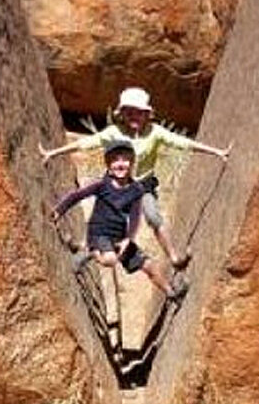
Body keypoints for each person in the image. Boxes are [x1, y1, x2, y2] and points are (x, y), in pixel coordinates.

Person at [40, 86, 230, 270]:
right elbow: (87, 143)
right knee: (105, 220)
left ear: (147, 114)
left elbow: (182, 142)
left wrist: (216, 152)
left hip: (142, 186)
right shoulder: (114, 132)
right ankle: (85, 250)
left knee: (154, 217)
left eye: (138, 112)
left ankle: (174, 258)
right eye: (129, 112)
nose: (133, 116)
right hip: (117, 185)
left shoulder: (155, 132)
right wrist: (53, 153)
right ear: (121, 114)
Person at [49, 138, 187, 301]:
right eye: (115, 160)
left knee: (149, 265)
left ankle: (171, 293)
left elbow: (135, 216)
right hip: (99, 233)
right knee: (110, 259)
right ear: (108, 165)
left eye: (125, 160)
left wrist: (128, 239)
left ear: (132, 163)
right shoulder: (102, 185)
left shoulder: (137, 189)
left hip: (120, 237)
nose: (120, 165)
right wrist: (59, 210)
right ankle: (91, 252)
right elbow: (77, 195)